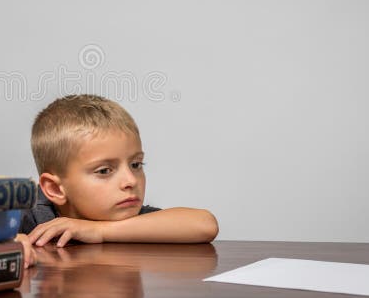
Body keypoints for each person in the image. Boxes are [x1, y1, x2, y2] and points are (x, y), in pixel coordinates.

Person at [16, 94, 218, 267]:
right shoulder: (25, 213)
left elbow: (204, 225)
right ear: (55, 189)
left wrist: (99, 231)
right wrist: (8, 242)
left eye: (136, 165)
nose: (130, 180)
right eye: (104, 170)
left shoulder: (123, 214)